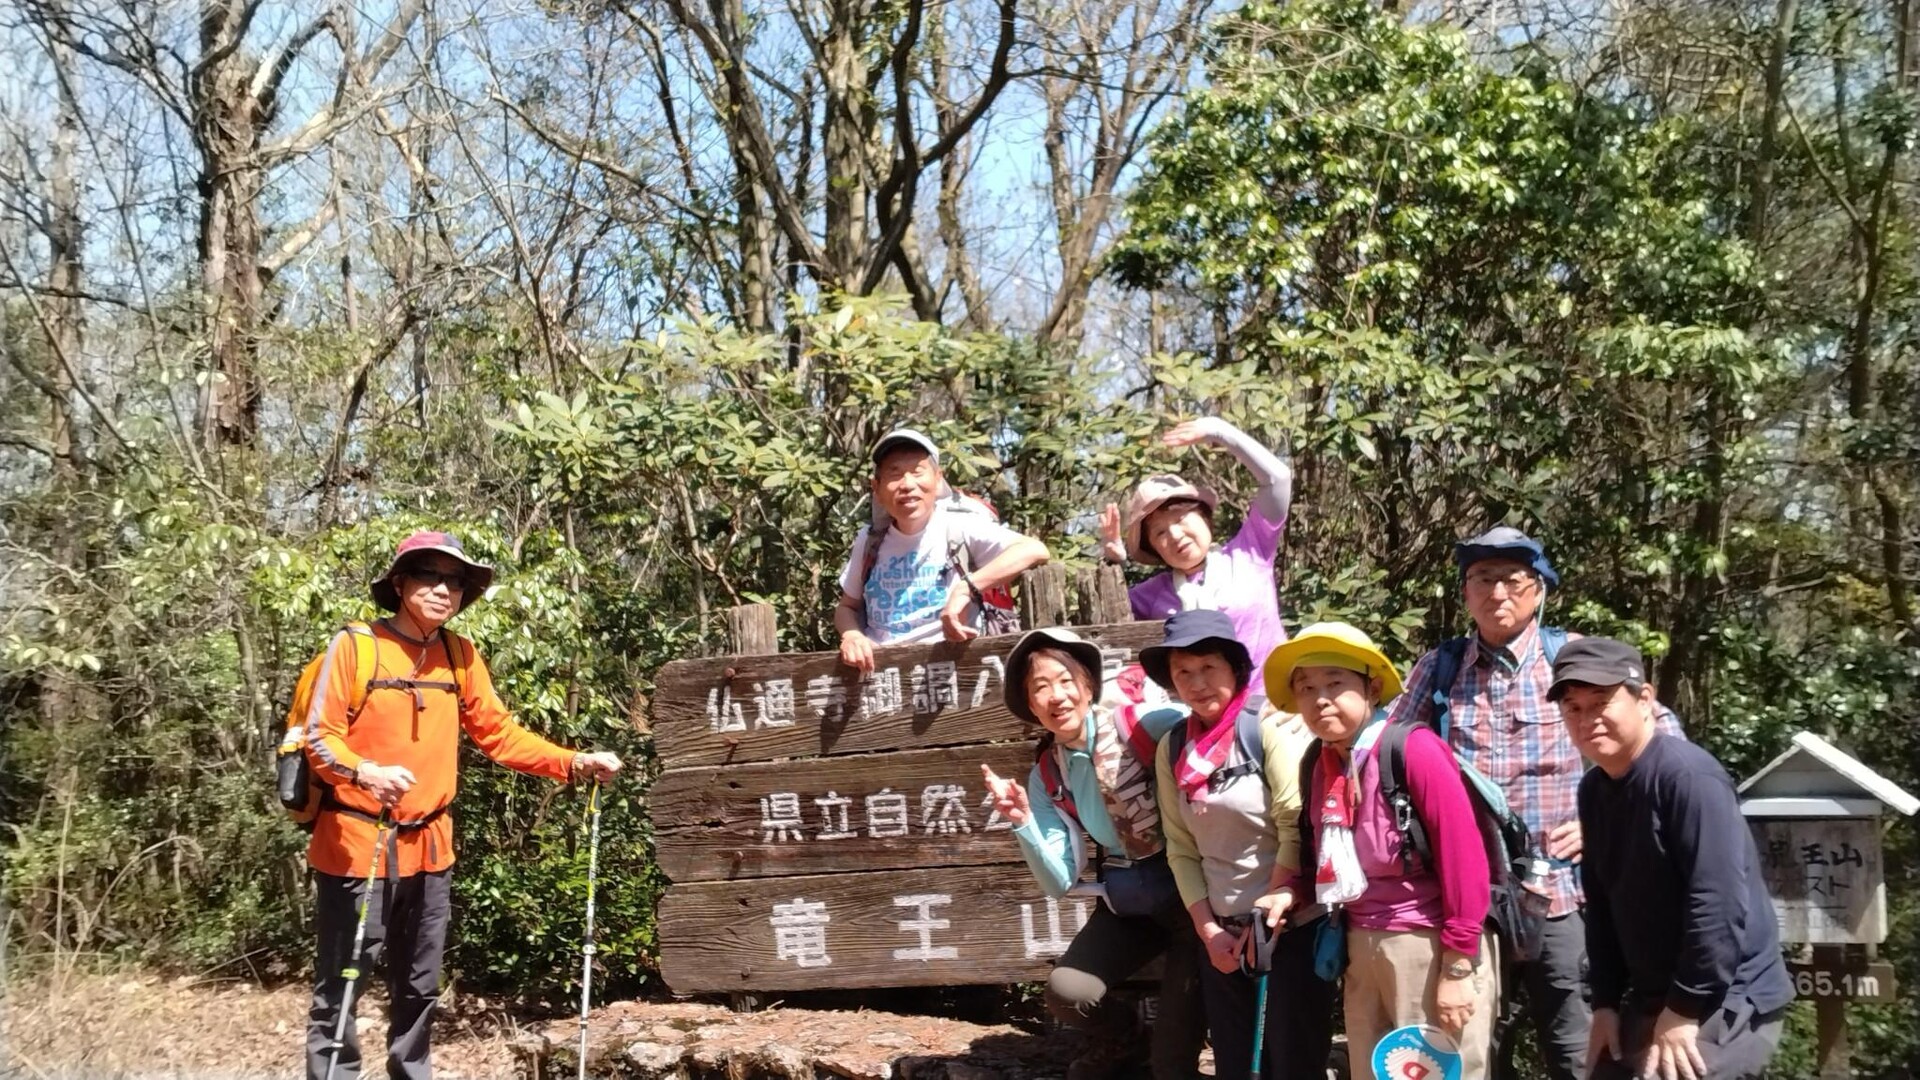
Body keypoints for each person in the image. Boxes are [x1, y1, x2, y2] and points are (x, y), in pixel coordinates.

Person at [302, 530, 622, 1080]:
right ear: (399, 584)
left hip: (432, 848)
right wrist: (364, 772)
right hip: (356, 845)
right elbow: (319, 738)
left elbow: (500, 735)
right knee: (344, 983)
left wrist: (573, 762)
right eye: (428, 575)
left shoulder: (460, 655)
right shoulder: (355, 647)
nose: (443, 589)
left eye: (454, 580)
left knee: (420, 985)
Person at [1387, 526, 1683, 1080]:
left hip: (1561, 893)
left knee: (1579, 1051)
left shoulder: (1573, 657)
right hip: (1468, 898)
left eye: (1513, 579)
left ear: (1540, 589)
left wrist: (1606, 824)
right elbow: (1388, 755)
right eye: (1482, 579)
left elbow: (1662, 740)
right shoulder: (1439, 668)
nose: (1497, 592)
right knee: (1464, 1049)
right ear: (1465, 591)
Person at [1553, 638, 1792, 1080]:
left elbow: (1718, 903)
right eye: (1574, 708)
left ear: (1644, 700)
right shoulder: (1594, 789)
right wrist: (1605, 1003)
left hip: (1725, 996)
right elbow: (1602, 904)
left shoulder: (1687, 777)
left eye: (1602, 702)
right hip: (1652, 994)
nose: (1587, 720)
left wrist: (1684, 1009)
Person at [1267, 621, 1497, 1080]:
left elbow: (1464, 857)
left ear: (1371, 688)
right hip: (1359, 943)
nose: (1320, 699)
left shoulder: (1413, 750)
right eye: (1306, 688)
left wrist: (1457, 966)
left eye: (1335, 683)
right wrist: (1290, 891)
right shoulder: (1321, 762)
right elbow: (1321, 860)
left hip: (1429, 944)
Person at [981, 628, 1203, 1080]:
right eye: (1040, 687)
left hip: (1191, 897)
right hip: (1129, 905)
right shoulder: (1048, 774)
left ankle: (1171, 1051)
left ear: (1088, 687)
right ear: (1030, 705)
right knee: (1068, 992)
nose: (1056, 696)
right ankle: (1126, 1039)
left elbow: (1209, 727)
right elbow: (1059, 880)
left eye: (1066, 681)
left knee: (1171, 1067)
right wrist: (1023, 821)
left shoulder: (1141, 727)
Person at [1143, 610, 1333, 1079]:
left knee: (1292, 1066)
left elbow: (1293, 826)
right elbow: (1181, 847)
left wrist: (1266, 922)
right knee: (1235, 1066)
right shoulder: (1174, 748)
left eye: (1209, 666)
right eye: (1183, 672)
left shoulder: (1266, 729)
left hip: (1289, 930)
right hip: (1222, 939)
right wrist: (1209, 932)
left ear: (1235, 668)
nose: (1197, 683)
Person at [1099, 418, 1293, 699]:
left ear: (1204, 517)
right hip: (1205, 715)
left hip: (1274, 705)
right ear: (1154, 549)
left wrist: (1219, 431)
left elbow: (1278, 479)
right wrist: (1113, 563)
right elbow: (1110, 620)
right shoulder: (1154, 594)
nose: (1175, 535)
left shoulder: (1249, 552)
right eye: (1160, 532)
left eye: (1181, 519)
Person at [836, 428, 1050, 671]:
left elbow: (1034, 549)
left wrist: (966, 588)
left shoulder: (959, 527)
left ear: (938, 479)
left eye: (917, 471)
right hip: (884, 675)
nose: (907, 484)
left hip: (952, 671)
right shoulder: (869, 540)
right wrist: (852, 635)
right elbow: (847, 607)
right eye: (894, 474)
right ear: (877, 487)